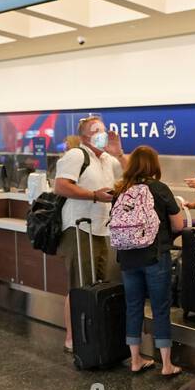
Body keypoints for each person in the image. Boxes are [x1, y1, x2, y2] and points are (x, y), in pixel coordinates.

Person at [112, 145, 186, 376]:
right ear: (154, 165)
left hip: (127, 258)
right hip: (155, 257)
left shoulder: (121, 189)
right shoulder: (160, 189)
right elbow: (178, 225)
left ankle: (135, 359)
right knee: (160, 308)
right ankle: (166, 364)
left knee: (133, 306)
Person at [54, 115, 125, 353]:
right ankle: (72, 338)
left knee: (98, 283)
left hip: (101, 227)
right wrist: (94, 195)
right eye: (97, 130)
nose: (102, 134)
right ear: (85, 136)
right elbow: (61, 186)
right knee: (79, 284)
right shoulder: (76, 155)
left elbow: (132, 173)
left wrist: (119, 153)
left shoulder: (106, 159)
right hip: (79, 227)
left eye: (104, 130)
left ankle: (92, 334)